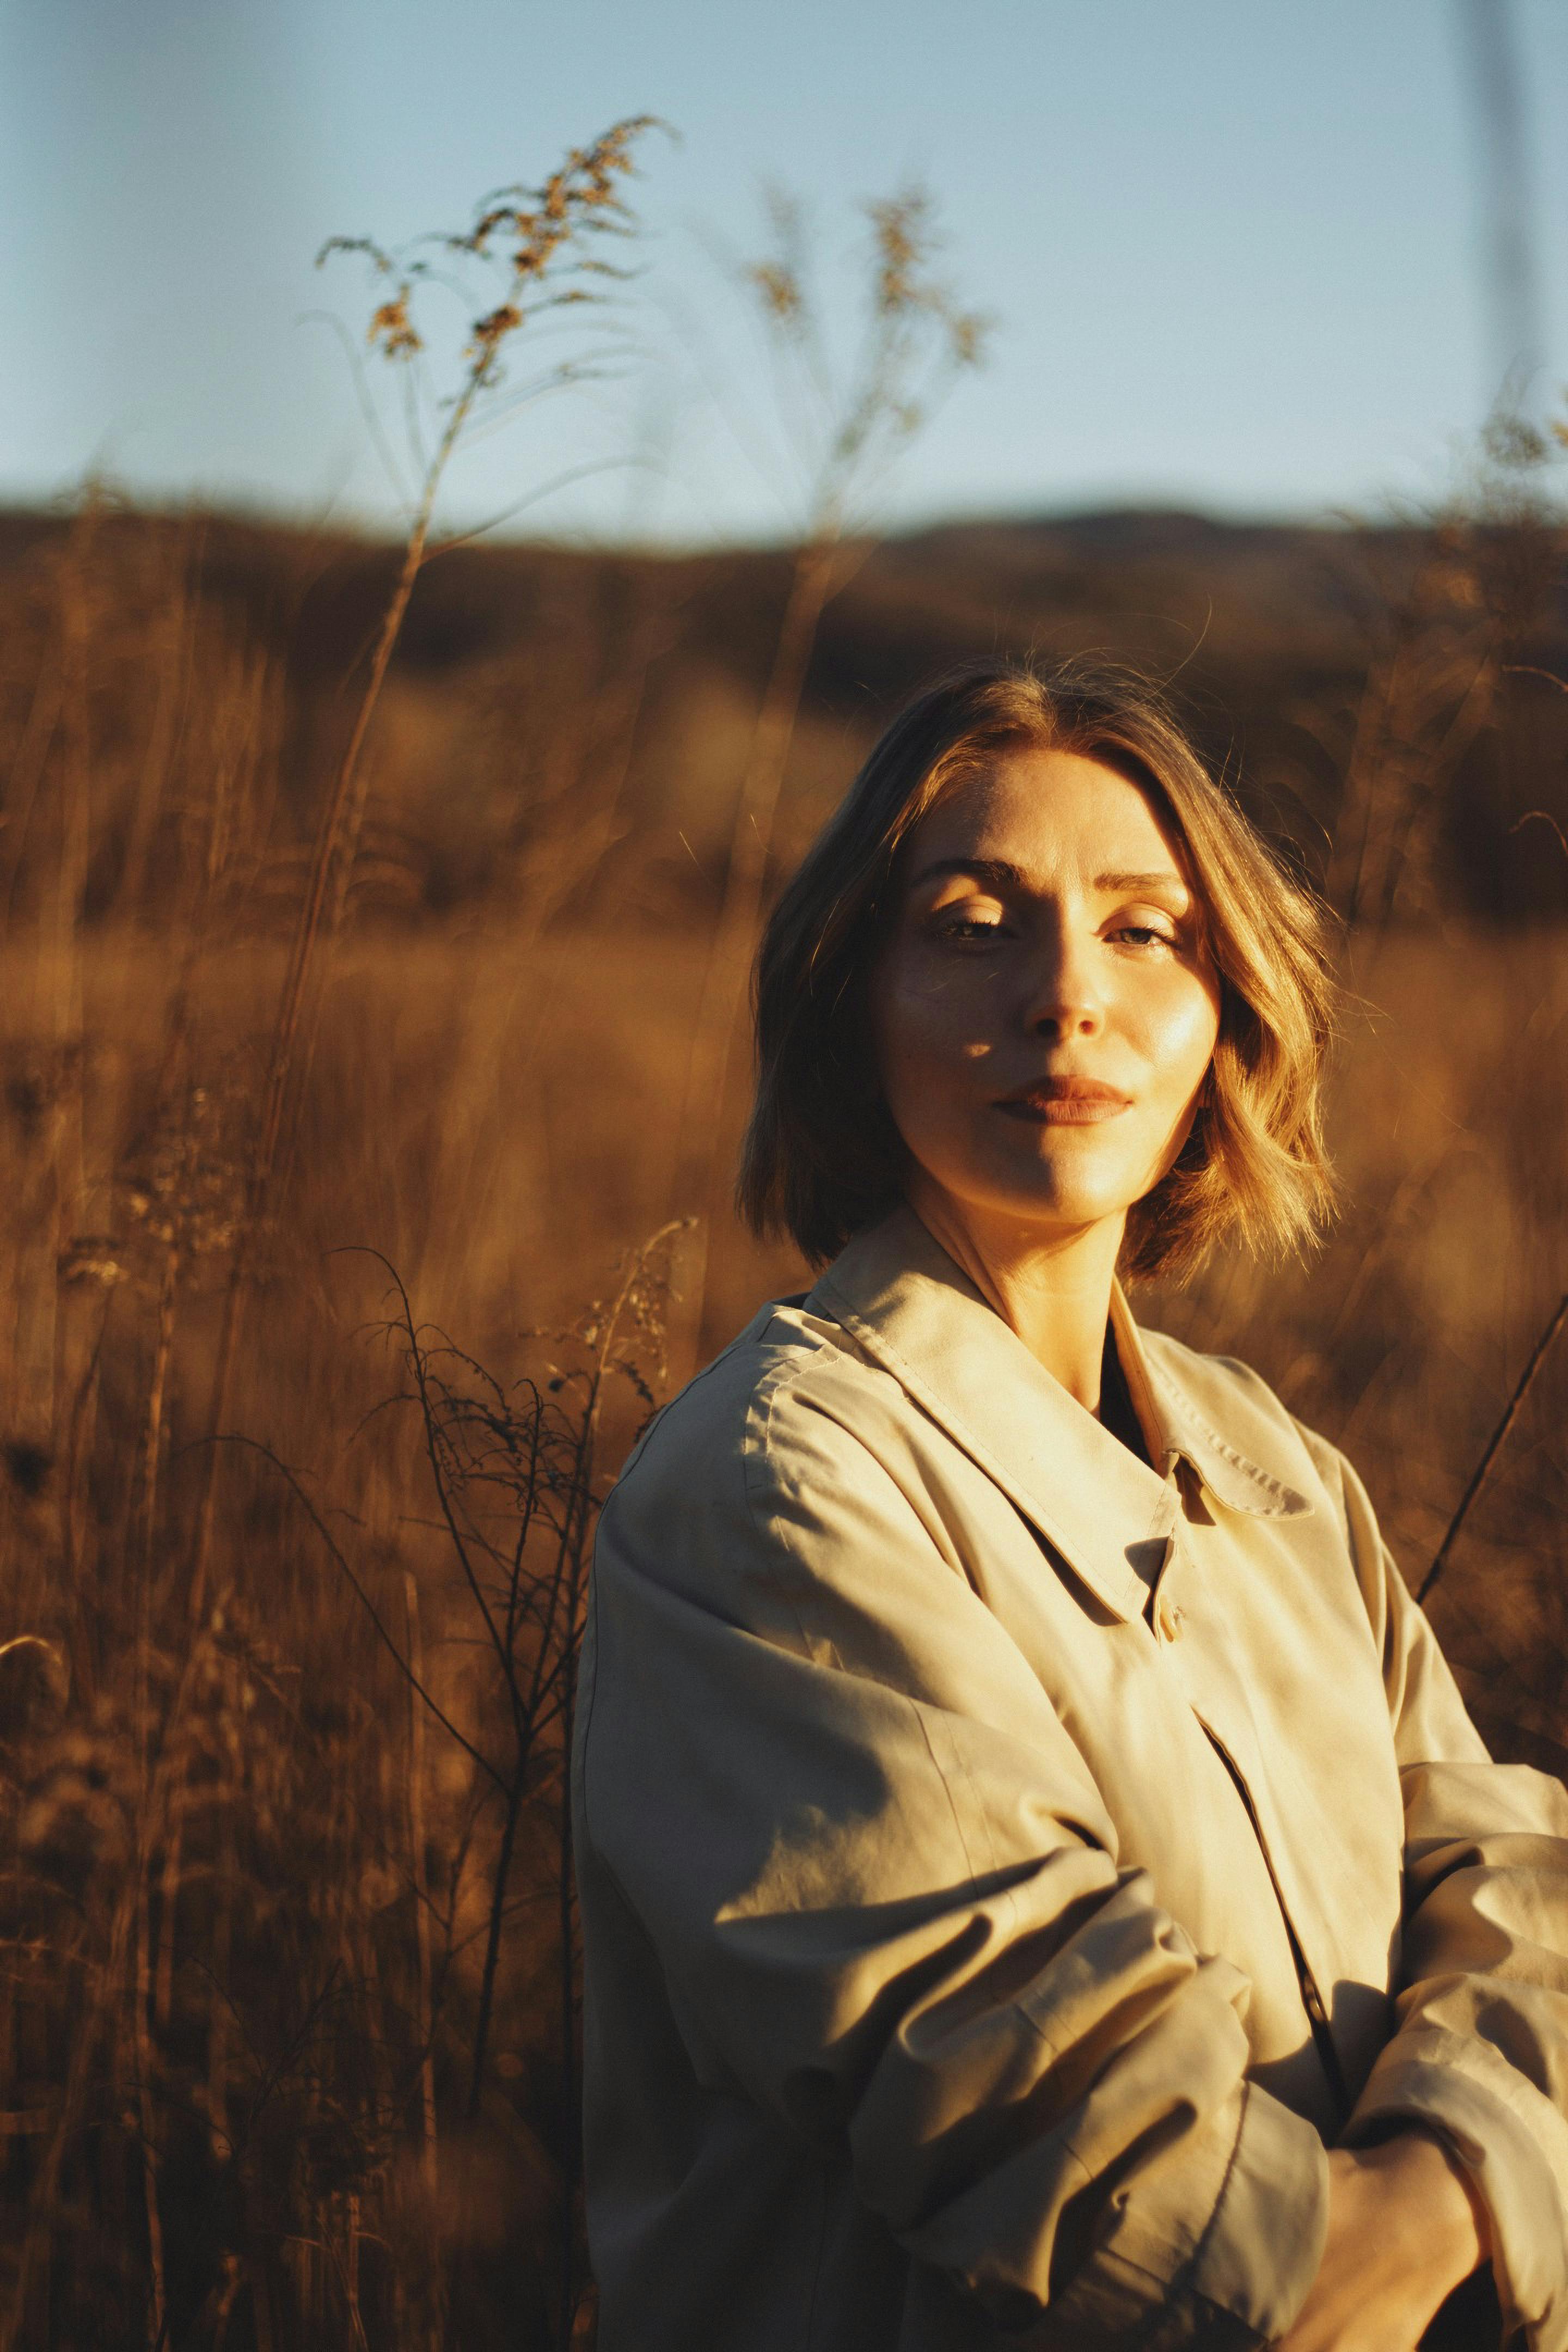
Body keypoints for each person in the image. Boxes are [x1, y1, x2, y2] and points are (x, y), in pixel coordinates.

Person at [572, 661, 1568, 2350]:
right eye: (974, 926)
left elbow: (1518, 1884)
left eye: (1143, 931)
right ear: (850, 997)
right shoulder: (772, 1492)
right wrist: (1445, 2218)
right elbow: (1101, 2165)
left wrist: (1452, 2178)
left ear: (1228, 1008)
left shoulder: (1271, 1466)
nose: (1065, 997)